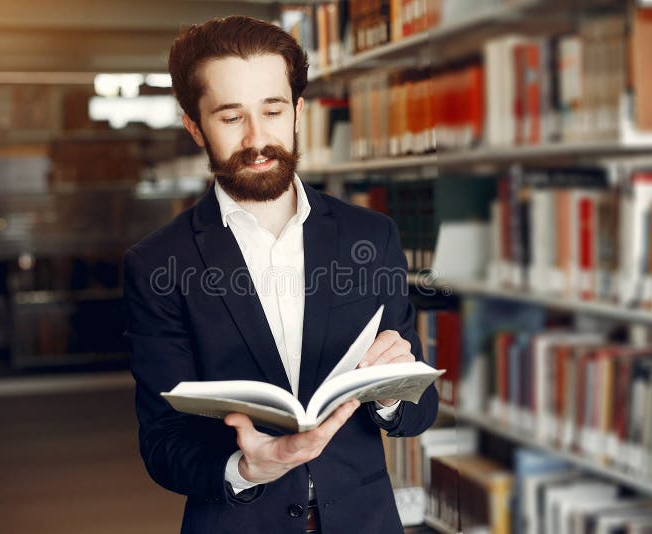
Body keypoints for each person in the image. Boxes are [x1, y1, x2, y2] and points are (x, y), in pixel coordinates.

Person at [123, 15, 439, 534]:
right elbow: (162, 442)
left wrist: (389, 394)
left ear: (296, 112)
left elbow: (420, 409)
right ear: (194, 125)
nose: (257, 138)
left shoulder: (371, 235)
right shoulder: (158, 263)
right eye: (231, 118)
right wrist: (246, 468)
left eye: (272, 111)